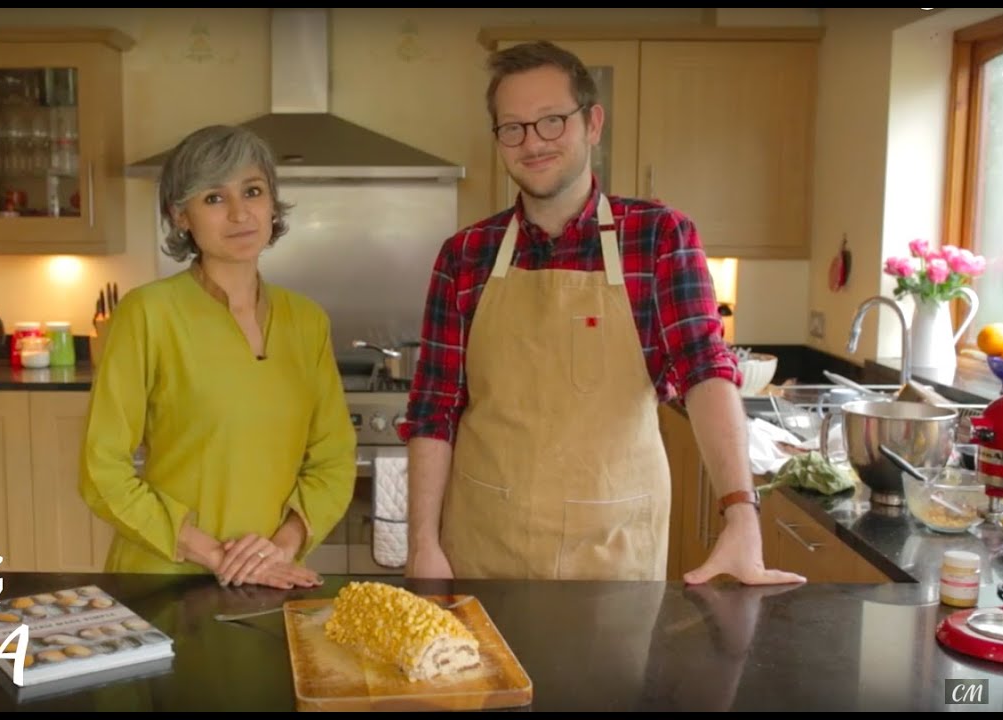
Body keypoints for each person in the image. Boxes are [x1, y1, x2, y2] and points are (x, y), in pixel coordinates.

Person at [401, 41, 804, 586]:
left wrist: (741, 513)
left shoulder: (660, 238)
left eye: (551, 121)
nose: (533, 142)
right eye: (513, 128)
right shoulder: (465, 254)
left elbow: (704, 369)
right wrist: (423, 542)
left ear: (592, 123)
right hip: (482, 547)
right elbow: (434, 406)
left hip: (614, 553)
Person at [79, 124, 357, 590]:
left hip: (273, 578)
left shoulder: (307, 321)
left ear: (272, 204)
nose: (239, 213)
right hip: (163, 579)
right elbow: (101, 469)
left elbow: (334, 458)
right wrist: (214, 554)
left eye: (252, 191)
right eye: (213, 198)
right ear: (180, 216)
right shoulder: (147, 313)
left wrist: (283, 546)